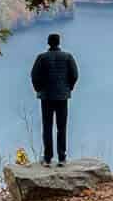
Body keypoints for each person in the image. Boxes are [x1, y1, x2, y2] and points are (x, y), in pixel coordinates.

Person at [30, 32, 78, 166]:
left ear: (48, 43)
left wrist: (39, 89)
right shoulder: (67, 57)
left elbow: (34, 76)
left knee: (47, 127)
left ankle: (47, 158)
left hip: (46, 97)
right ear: (59, 42)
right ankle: (62, 158)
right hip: (62, 97)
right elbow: (74, 74)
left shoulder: (42, 58)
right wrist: (69, 88)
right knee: (62, 127)